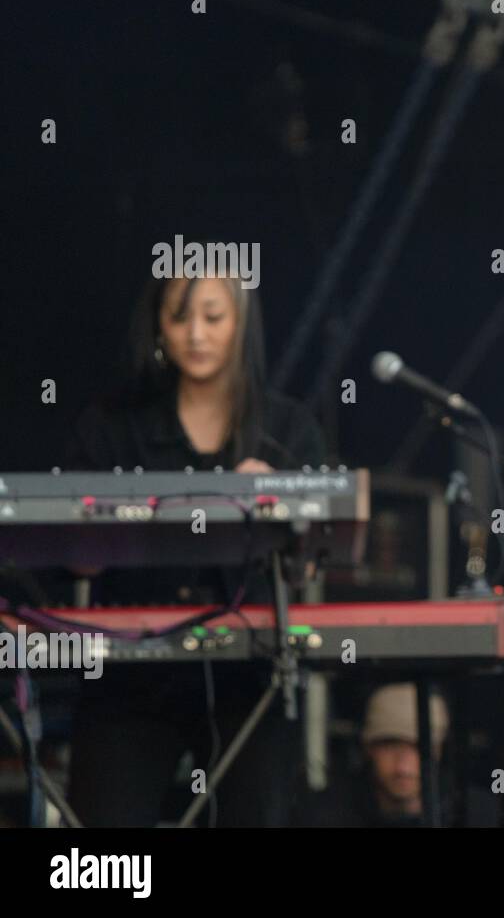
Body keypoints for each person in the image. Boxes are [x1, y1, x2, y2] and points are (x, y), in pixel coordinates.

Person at [63, 269, 326, 826]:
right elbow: (73, 553)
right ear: (157, 326)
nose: (196, 335)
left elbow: (310, 565)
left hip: (249, 672)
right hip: (128, 670)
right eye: (179, 317)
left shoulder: (286, 428)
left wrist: (279, 504)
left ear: (241, 324)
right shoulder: (113, 427)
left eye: (213, 316)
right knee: (103, 846)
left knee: (259, 805)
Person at [294, 683, 452, 827]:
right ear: (368, 748)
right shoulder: (325, 816)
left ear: (438, 750)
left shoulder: (466, 813)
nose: (403, 766)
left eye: (417, 747)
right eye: (390, 745)